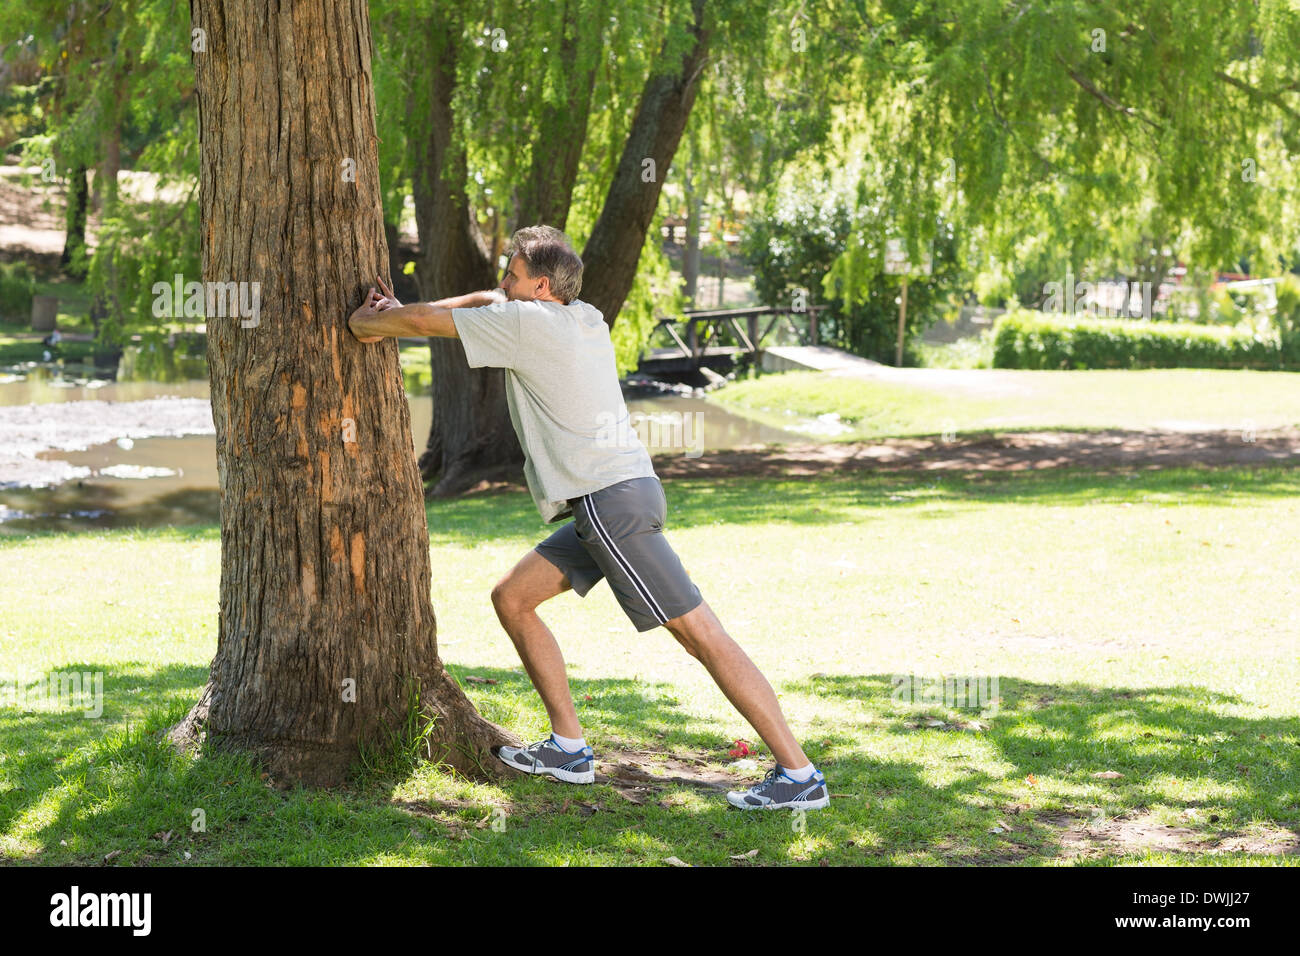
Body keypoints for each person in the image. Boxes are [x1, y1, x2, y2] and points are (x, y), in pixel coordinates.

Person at [348, 225, 828, 810]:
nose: (503, 282)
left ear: (540, 286)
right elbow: (481, 302)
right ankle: (568, 749)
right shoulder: (584, 316)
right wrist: (404, 306)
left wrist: (368, 323)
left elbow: (427, 325)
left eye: (513, 274)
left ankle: (798, 775)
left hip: (609, 507)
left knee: (699, 633)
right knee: (512, 598)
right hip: (621, 496)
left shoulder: (525, 324)